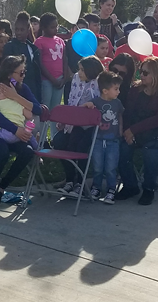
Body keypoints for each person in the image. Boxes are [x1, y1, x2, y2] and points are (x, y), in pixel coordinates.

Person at [113, 57, 158, 205]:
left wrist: (133, 130)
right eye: (140, 72)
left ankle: (149, 188)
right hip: (139, 132)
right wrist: (127, 131)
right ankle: (130, 185)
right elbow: (128, 113)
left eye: (145, 73)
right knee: (122, 147)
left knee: (151, 150)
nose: (141, 76)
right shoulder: (135, 90)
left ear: (156, 74)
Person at [0, 56, 40, 211]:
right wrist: (15, 130)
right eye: (20, 73)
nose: (23, 75)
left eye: (24, 71)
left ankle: (1, 187)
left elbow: (38, 109)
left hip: (15, 134)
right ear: (8, 74)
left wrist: (16, 97)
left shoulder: (22, 88)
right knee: (2, 152)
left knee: (27, 152)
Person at [54, 56, 104, 196]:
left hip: (92, 125)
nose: (79, 72)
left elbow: (102, 103)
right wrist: (64, 120)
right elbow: (71, 100)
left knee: (80, 147)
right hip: (74, 122)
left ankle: (81, 183)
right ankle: (70, 179)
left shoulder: (100, 82)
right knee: (59, 142)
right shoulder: (76, 79)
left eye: (83, 70)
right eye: (79, 69)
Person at [85, 70, 125, 204]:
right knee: (97, 166)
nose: (118, 91)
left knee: (110, 167)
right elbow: (84, 108)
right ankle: (96, 187)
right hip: (97, 140)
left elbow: (120, 116)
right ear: (105, 90)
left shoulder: (117, 103)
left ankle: (111, 190)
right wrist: (88, 105)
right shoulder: (95, 101)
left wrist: (120, 131)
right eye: (116, 89)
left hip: (113, 140)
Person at [2, 11, 42, 102]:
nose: (18, 32)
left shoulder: (33, 48)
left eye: (22, 30)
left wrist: (39, 98)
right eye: (17, 29)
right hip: (16, 90)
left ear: (28, 29)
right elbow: (6, 72)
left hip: (32, 91)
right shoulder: (9, 47)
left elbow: (37, 75)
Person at [34, 13, 66, 126]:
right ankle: (42, 137)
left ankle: (53, 138)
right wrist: (52, 79)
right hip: (46, 80)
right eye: (52, 27)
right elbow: (40, 63)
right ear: (43, 28)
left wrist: (64, 78)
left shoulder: (60, 41)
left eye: (56, 26)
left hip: (60, 79)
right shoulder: (39, 42)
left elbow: (64, 60)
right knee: (45, 109)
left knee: (55, 109)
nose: (55, 29)